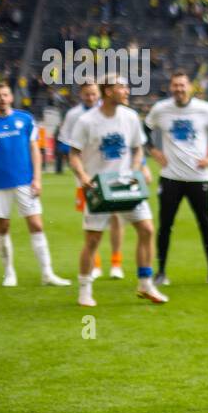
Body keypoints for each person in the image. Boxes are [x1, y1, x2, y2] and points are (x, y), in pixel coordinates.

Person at [68, 78, 167, 307]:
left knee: (147, 229)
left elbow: (137, 148)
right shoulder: (86, 121)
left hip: (127, 185)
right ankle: (84, 290)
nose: (127, 90)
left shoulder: (130, 116)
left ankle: (145, 282)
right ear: (108, 91)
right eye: (122, 87)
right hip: (99, 188)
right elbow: (73, 154)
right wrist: (83, 178)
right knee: (93, 239)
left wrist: (137, 168)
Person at [0, 83, 71, 287]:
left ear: (11, 97)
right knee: (3, 225)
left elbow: (35, 149)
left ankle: (47, 274)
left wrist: (37, 178)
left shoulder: (24, 119)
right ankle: (9, 273)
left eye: (5, 94)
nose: (1, 98)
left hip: (25, 180)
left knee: (36, 224)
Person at [144, 70, 208, 285]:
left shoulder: (205, 109)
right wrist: (153, 151)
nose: (179, 89)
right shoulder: (161, 109)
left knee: (205, 225)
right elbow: (143, 129)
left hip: (198, 178)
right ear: (170, 87)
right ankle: (161, 272)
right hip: (170, 177)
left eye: (182, 85)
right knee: (165, 225)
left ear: (190, 87)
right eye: (175, 85)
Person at [60, 83, 125, 280]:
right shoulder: (74, 116)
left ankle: (116, 263)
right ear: (81, 94)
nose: (90, 97)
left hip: (112, 175)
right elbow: (66, 144)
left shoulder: (113, 113)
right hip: (86, 178)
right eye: (87, 94)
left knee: (116, 217)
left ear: (100, 94)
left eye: (93, 94)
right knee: (90, 223)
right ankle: (95, 264)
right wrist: (78, 169)